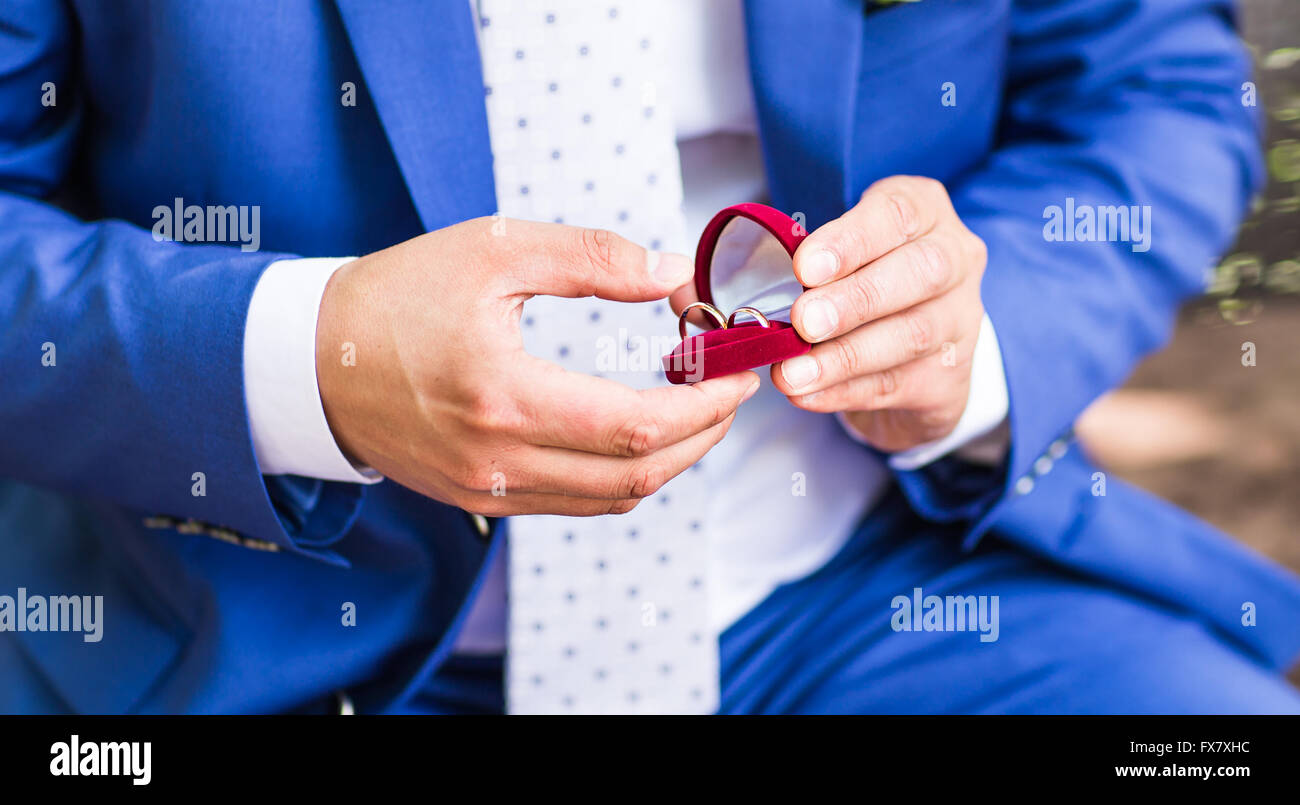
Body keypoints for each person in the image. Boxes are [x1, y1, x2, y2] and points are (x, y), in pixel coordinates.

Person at [1, 0, 1297, 714]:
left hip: (869, 591)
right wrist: (309, 362)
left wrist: (980, 333)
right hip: (256, 638)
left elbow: (1152, 81)